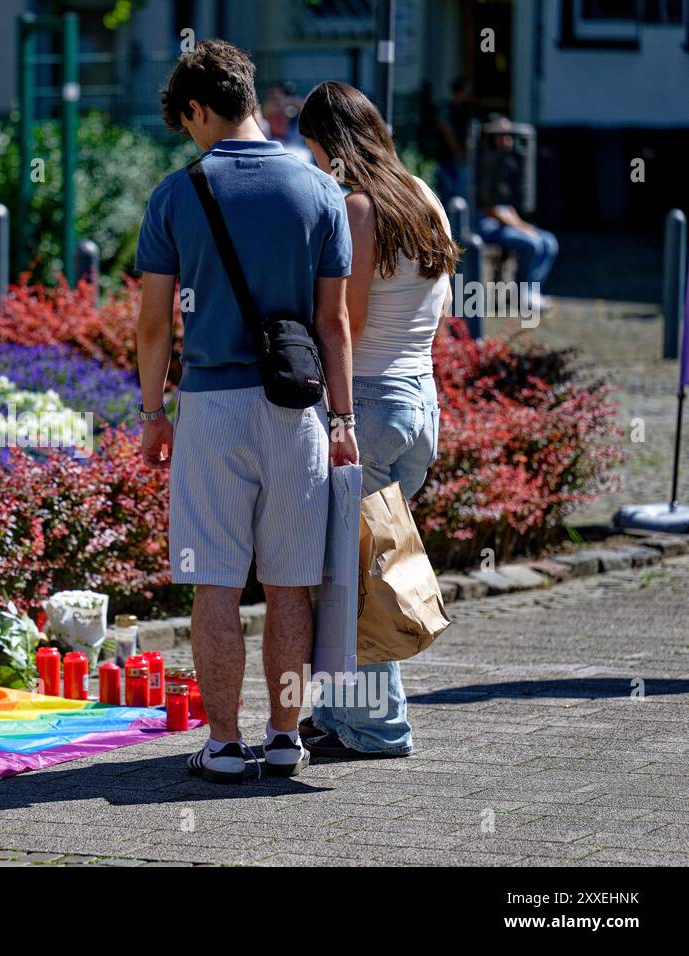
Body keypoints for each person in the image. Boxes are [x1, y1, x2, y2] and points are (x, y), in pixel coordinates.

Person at [135, 40, 358, 783]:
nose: (190, 138)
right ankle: (287, 736)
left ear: (199, 109)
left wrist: (151, 414)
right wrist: (345, 422)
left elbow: (154, 323)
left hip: (210, 407)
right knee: (291, 583)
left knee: (216, 582)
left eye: (187, 123)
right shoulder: (320, 191)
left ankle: (225, 744)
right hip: (299, 409)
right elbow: (335, 325)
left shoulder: (176, 195)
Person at [297, 80, 460, 759]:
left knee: (360, 577)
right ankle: (338, 717)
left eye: (311, 151)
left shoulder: (359, 211)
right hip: (419, 404)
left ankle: (377, 728)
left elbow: (347, 323)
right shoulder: (423, 196)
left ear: (333, 149)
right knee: (356, 564)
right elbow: (441, 310)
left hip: (369, 406)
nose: (309, 165)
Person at [475, 116, 558, 310]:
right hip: (487, 225)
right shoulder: (484, 164)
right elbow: (490, 209)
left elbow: (507, 205)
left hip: (506, 221)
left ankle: (532, 291)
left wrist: (523, 225)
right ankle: (521, 293)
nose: (508, 140)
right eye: (502, 136)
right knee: (533, 244)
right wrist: (521, 227)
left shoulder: (505, 163)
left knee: (549, 241)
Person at [435, 77, 475, 206]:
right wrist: (458, 151)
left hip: (458, 158)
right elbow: (446, 130)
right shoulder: (448, 109)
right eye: (467, 93)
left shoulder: (466, 110)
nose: (469, 96)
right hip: (449, 158)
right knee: (451, 195)